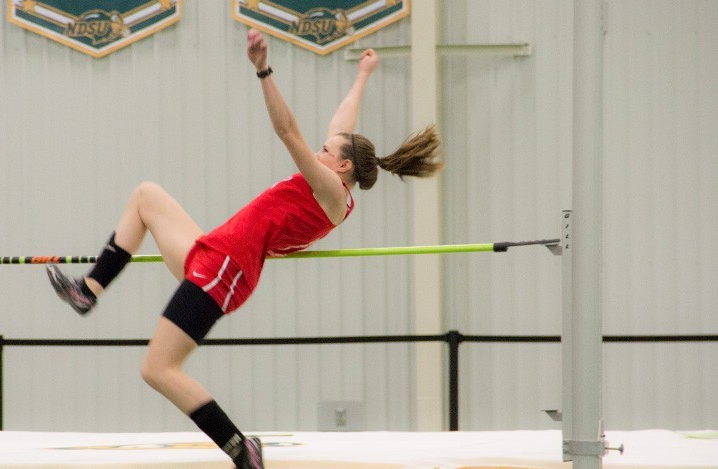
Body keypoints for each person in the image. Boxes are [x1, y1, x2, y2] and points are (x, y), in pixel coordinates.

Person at [45, 28, 442, 469]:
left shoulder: (329, 189)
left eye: (325, 149)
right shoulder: (336, 182)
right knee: (146, 196)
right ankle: (90, 291)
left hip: (227, 267)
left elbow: (286, 129)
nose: (318, 148)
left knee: (158, 369)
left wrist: (262, 70)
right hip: (216, 252)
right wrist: (363, 75)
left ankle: (240, 447)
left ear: (342, 166)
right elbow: (342, 124)